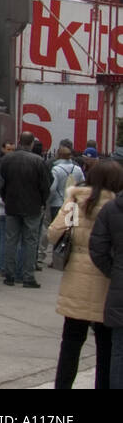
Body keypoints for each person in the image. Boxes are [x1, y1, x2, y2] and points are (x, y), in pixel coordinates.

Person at [50, 160, 121, 389]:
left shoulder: (77, 202)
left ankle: (63, 386)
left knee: (70, 341)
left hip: (77, 277)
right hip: (107, 279)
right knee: (105, 344)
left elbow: (54, 233)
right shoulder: (116, 205)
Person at [0, 132, 51, 287]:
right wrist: (42, 202)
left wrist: (5, 197)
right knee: (30, 241)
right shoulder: (38, 161)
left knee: (11, 240)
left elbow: (1, 182)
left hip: (12, 204)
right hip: (32, 206)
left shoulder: (7, 159)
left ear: (19, 142)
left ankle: (9, 274)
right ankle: (28, 276)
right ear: (32, 144)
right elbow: (45, 186)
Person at [88, 179, 123, 388]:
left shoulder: (112, 208)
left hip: (119, 285)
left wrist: (115, 271)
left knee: (119, 350)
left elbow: (98, 248)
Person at [41, 147, 86, 269]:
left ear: (58, 155)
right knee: (71, 231)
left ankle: (57, 258)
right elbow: (83, 183)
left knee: (58, 230)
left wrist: (47, 202)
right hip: (73, 204)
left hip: (58, 203)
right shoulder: (77, 169)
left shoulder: (56, 169)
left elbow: (52, 188)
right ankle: (70, 256)